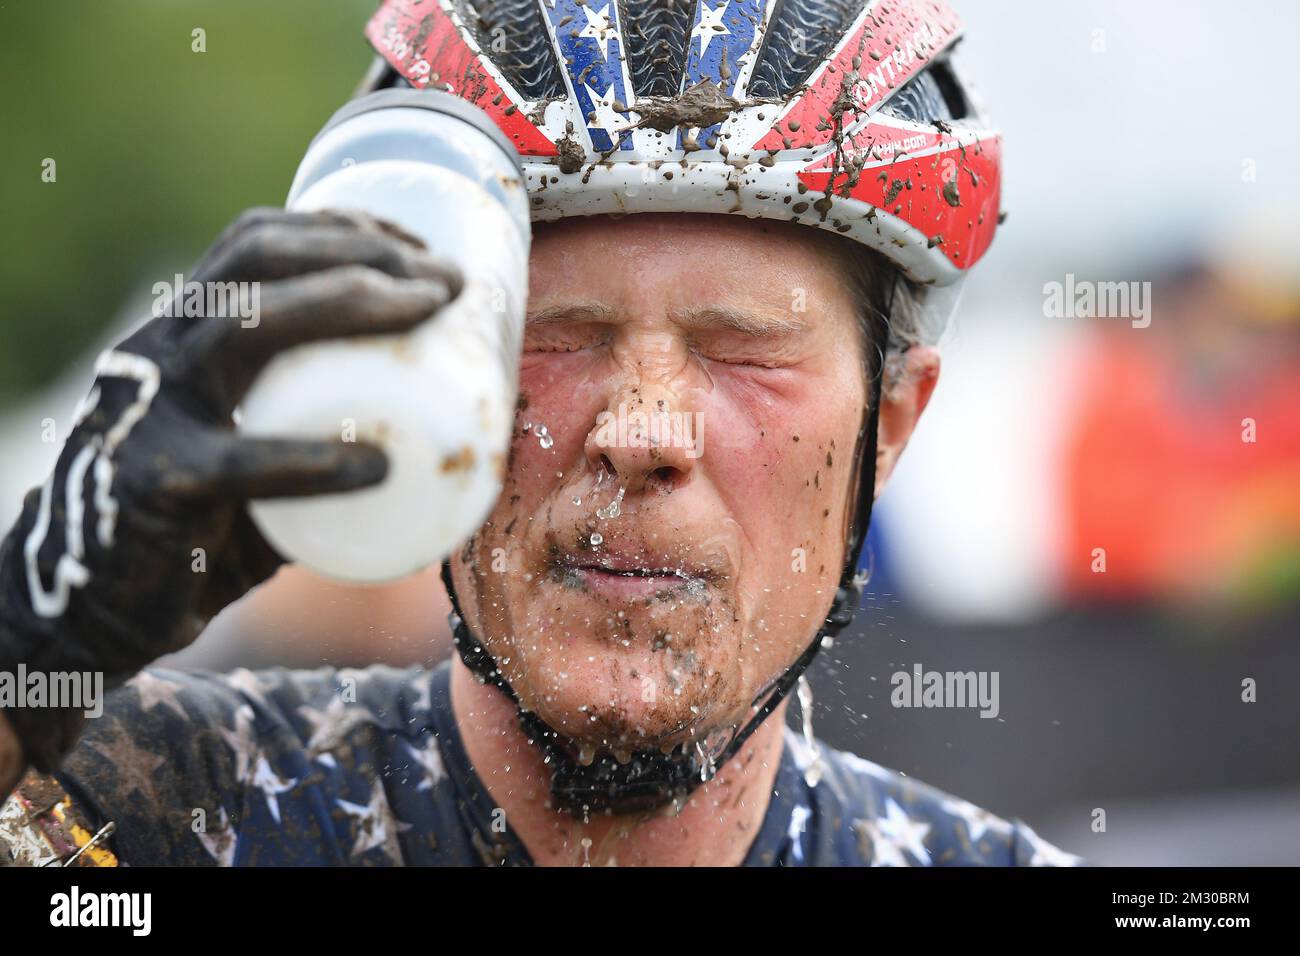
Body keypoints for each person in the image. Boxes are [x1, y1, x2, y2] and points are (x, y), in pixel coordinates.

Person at [0, 0, 1080, 866]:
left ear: (888, 425)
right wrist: (30, 645)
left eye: (744, 349)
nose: (642, 431)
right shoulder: (149, 815)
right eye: (551, 337)